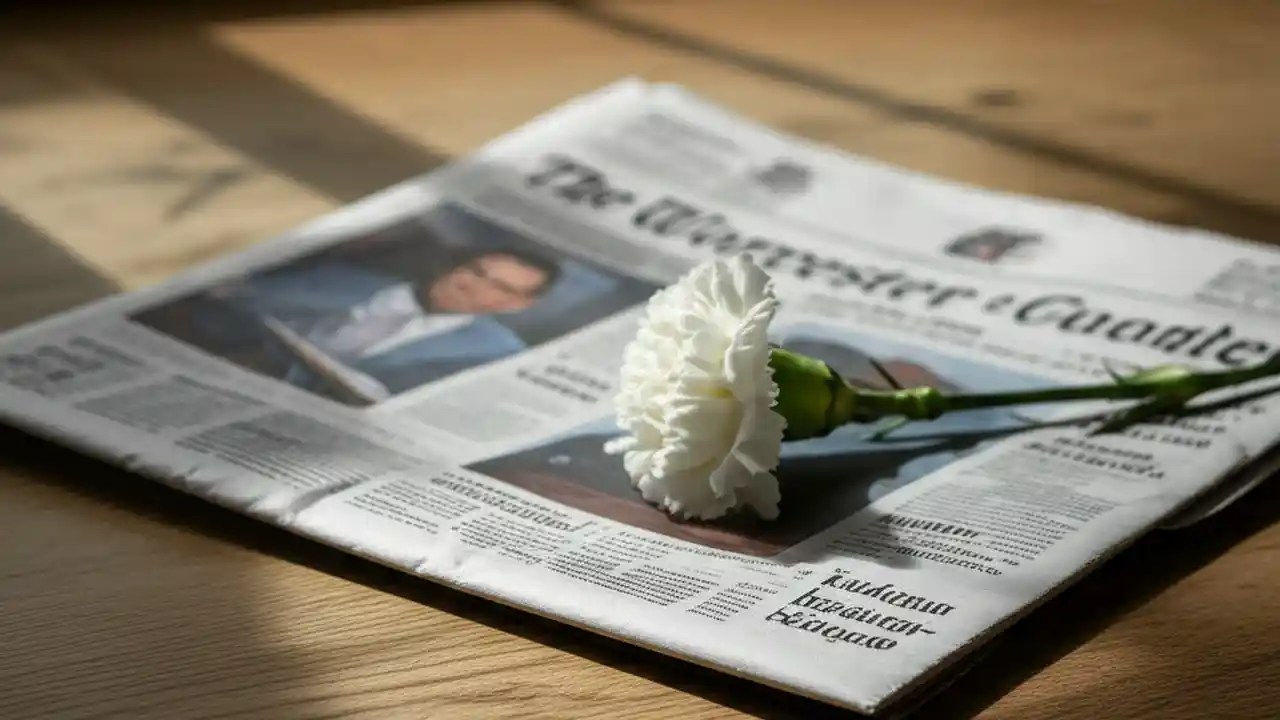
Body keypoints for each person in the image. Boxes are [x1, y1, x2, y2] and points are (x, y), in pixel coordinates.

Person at [219, 246, 560, 403]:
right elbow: (229, 300)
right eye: (475, 270)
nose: (467, 284)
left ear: (518, 304)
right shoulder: (342, 277)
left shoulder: (496, 353)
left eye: (498, 287)